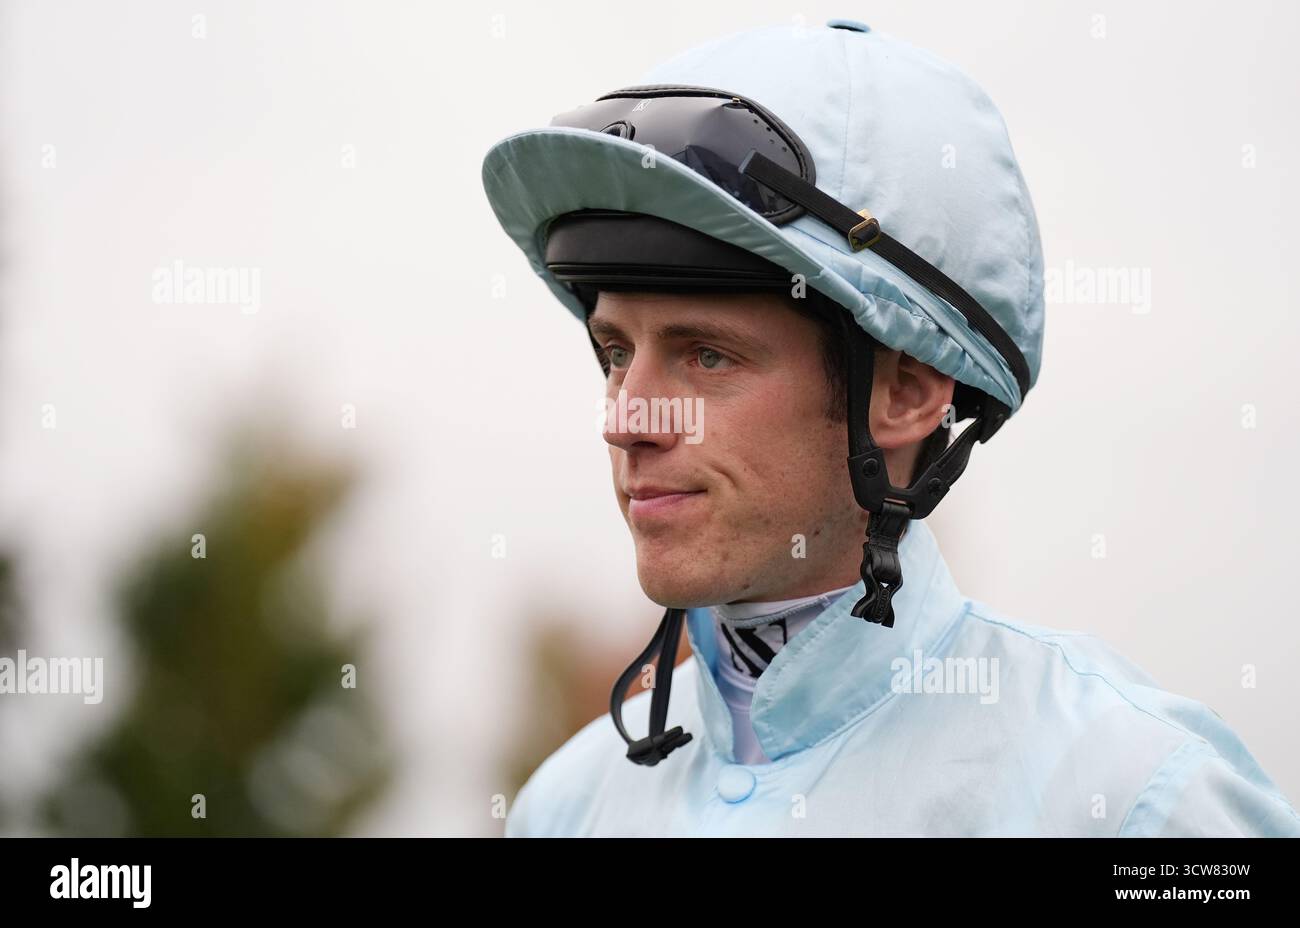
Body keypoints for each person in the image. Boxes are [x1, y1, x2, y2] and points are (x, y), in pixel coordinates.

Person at [480, 19, 1300, 836]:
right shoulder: (565, 807)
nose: (627, 419)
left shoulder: (1138, 798)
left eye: (707, 357)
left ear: (906, 392)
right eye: (615, 351)